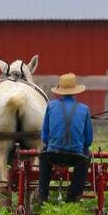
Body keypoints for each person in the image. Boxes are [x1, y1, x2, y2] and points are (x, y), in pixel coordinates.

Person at [39, 73, 93, 204]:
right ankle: (74, 195)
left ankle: (43, 194)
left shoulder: (51, 106)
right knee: (86, 156)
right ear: (75, 91)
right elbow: (88, 140)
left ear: (60, 91)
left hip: (53, 155)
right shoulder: (84, 109)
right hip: (76, 157)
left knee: (43, 155)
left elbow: (44, 136)